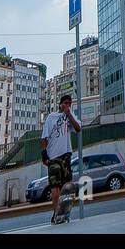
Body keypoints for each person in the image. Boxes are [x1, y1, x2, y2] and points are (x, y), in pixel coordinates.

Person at [41, 94, 82, 226]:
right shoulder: (51, 117)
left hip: (66, 154)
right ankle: (56, 213)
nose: (67, 105)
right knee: (55, 186)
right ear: (60, 104)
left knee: (67, 186)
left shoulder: (70, 116)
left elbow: (78, 128)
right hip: (53, 156)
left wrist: (69, 114)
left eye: (69, 103)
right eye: (65, 103)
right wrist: (44, 153)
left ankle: (64, 212)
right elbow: (44, 137)